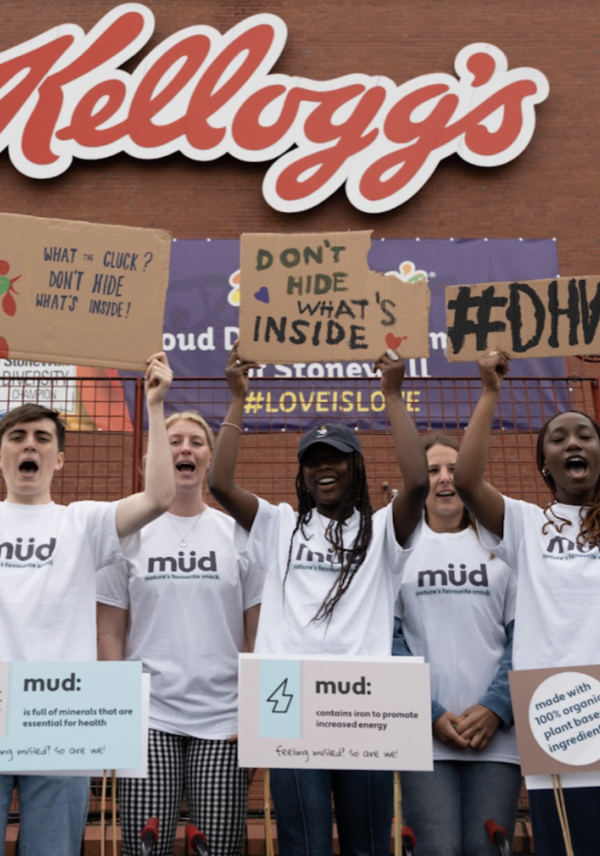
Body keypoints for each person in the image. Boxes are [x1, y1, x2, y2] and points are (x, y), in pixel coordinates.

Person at [0, 331, 176, 856]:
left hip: (59, 726)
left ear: (59, 460)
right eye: (16, 437)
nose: (29, 444)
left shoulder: (84, 522)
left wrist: (156, 406)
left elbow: (161, 496)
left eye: (42, 438)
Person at [453, 343, 600, 856]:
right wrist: (490, 391)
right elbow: (467, 481)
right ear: (545, 464)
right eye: (558, 437)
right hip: (560, 712)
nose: (572, 442)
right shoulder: (525, 523)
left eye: (585, 435)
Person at [207, 342, 428, 856]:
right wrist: (237, 399)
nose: (324, 469)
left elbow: (416, 483)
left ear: (357, 467)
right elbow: (220, 483)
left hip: (367, 704)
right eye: (313, 462)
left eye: (337, 459)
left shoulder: (379, 533)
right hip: (288, 702)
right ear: (302, 474)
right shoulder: (279, 524)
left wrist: (393, 395)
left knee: (367, 846)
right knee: (303, 845)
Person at [96, 410, 264, 856]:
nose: (185, 448)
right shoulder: (127, 536)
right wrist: (114, 716)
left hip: (223, 720)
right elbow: (110, 633)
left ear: (210, 458)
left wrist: (258, 717)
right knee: (143, 849)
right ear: (152, 457)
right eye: (173, 441)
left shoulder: (239, 536)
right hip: (148, 719)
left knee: (220, 848)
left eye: (196, 441)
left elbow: (260, 636)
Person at [393, 433, 520, 856]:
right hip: (422, 735)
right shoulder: (398, 551)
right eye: (432, 471)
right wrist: (427, 713)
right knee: (437, 849)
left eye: (454, 470)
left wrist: (496, 708)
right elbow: (388, 641)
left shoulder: (504, 548)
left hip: (497, 737)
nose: (445, 479)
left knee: (486, 848)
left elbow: (525, 638)